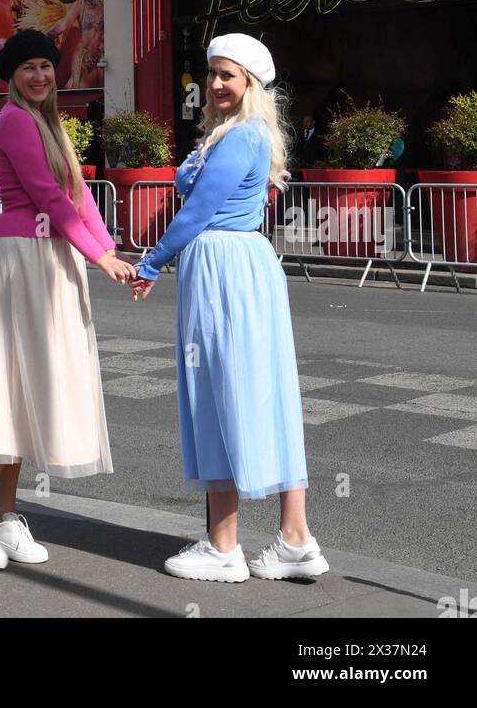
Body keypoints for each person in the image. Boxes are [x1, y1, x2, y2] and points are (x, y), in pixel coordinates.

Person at [131, 32, 329, 584]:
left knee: (217, 394)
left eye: (228, 75)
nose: (215, 84)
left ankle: (224, 547)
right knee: (265, 391)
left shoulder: (241, 137)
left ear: (250, 83)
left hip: (221, 267)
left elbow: (197, 214)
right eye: (212, 73)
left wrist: (149, 264)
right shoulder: (245, 134)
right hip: (242, 267)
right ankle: (295, 538)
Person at [0, 30, 136, 570]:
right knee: (21, 382)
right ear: (11, 76)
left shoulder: (48, 125)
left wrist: (114, 255)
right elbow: (51, 197)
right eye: (27, 67)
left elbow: (79, 198)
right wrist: (102, 260)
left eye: (46, 66)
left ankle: (3, 517)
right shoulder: (14, 120)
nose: (39, 76)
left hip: (48, 254)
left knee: (30, 384)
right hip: (25, 254)